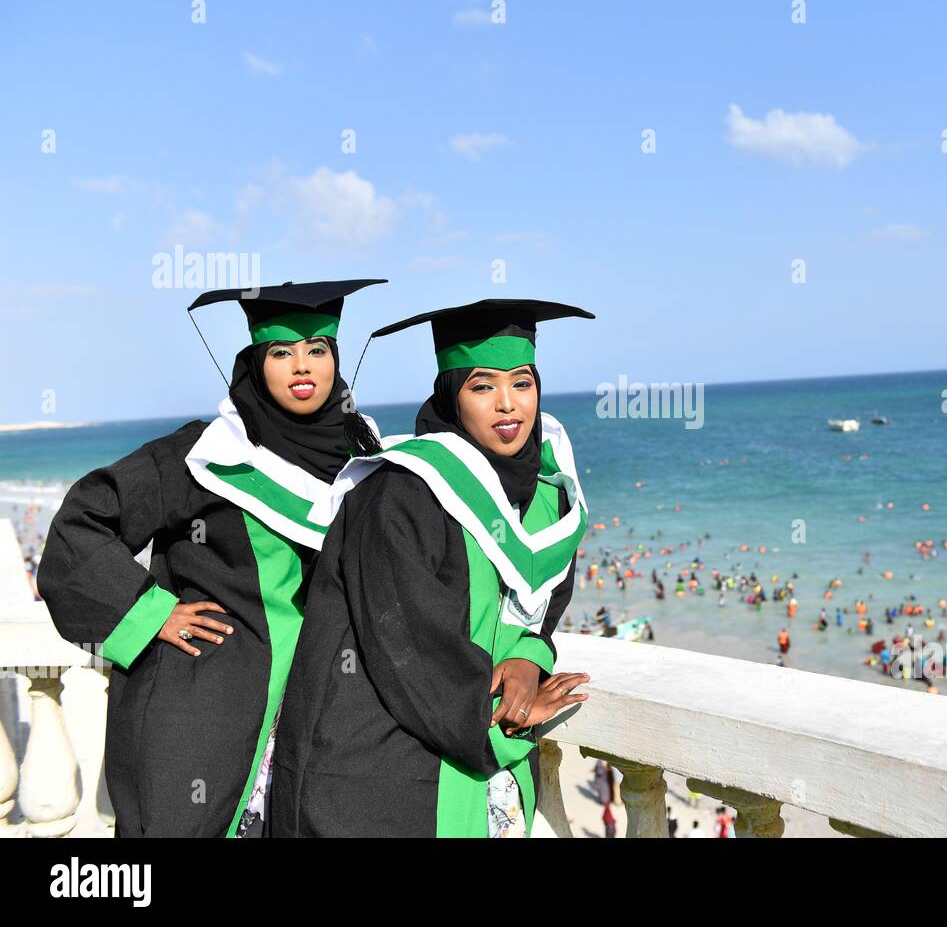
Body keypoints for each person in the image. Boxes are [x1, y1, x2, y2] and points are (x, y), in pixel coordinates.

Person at [38, 279, 386, 837]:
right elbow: (82, 524)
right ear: (254, 362)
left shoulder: (362, 453)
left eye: (317, 349)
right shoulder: (207, 453)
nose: (302, 367)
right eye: (281, 352)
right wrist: (149, 613)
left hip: (321, 716)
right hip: (208, 705)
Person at [272, 299, 594, 837]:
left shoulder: (543, 491)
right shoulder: (403, 492)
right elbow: (408, 641)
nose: (508, 405)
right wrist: (496, 718)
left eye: (522, 382)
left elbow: (544, 582)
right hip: (376, 770)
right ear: (451, 394)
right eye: (482, 386)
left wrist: (528, 655)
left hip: (475, 771)